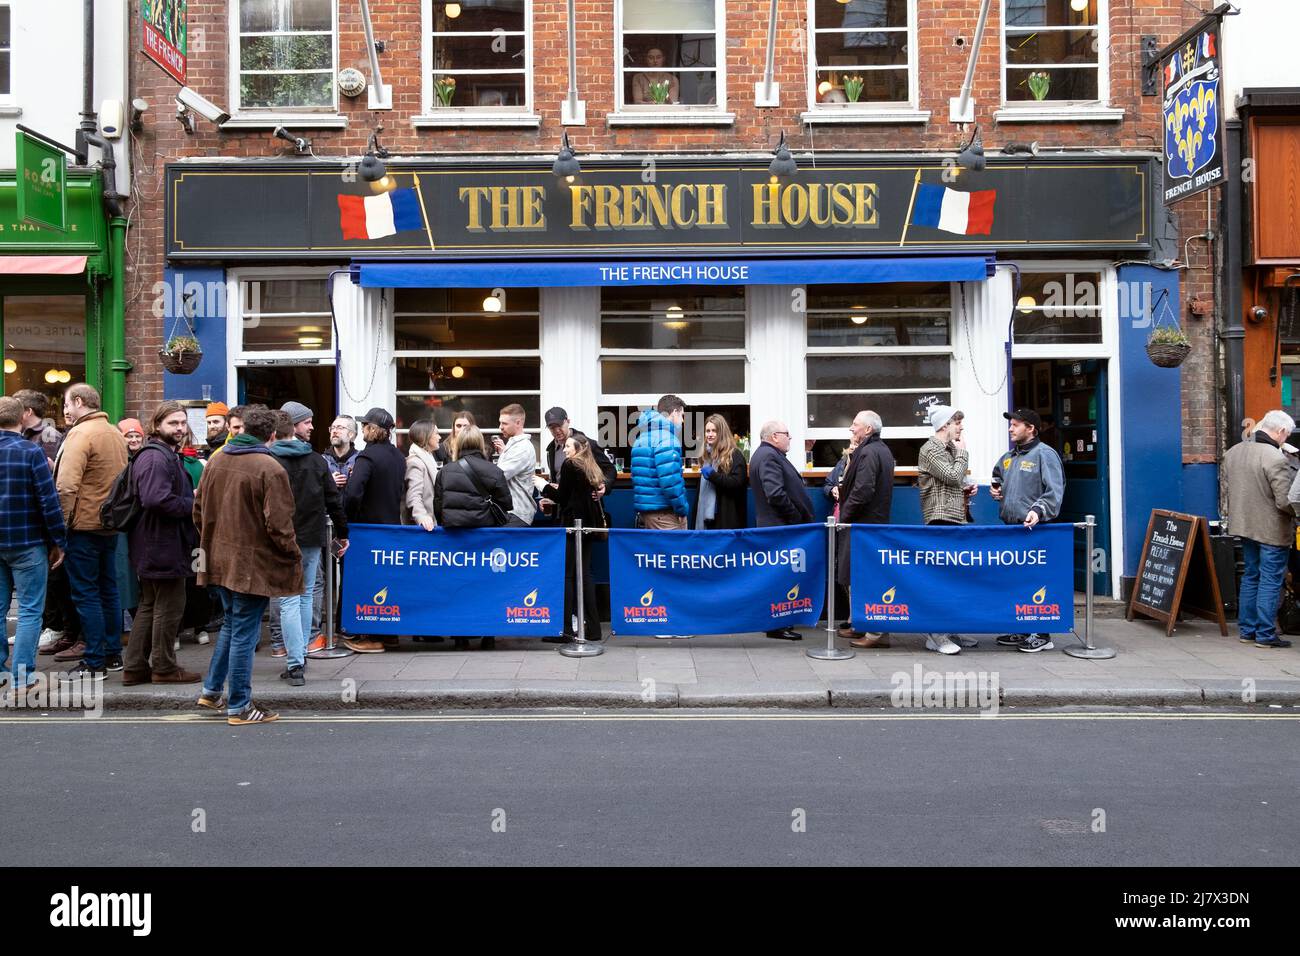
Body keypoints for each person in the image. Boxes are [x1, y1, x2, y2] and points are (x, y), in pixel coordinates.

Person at [195, 405, 302, 725]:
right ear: (271, 436)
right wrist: (291, 554)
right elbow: (280, 525)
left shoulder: (216, 460)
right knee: (244, 632)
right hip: (251, 564)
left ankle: (212, 691)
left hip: (218, 558)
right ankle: (239, 705)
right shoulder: (270, 468)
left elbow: (197, 510)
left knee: (232, 624)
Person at [121, 401, 203, 686]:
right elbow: (155, 499)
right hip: (161, 543)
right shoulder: (156, 457)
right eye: (173, 423)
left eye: (182, 423)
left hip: (154, 542)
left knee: (149, 605)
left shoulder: (160, 454)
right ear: (157, 426)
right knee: (169, 607)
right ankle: (164, 668)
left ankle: (134, 667)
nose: (180, 429)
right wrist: (190, 502)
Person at [54, 384, 129, 681]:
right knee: (109, 590)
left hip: (82, 525)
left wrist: (60, 527)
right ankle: (112, 656)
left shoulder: (80, 434)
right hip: (109, 524)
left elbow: (66, 486)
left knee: (86, 593)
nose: (65, 411)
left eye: (67, 406)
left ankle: (94, 660)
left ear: (79, 401)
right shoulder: (114, 432)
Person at [271, 402, 349, 684]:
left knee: (289, 598)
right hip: (312, 537)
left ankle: (295, 662)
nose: (313, 427)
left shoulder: (268, 459)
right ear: (292, 425)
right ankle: (299, 655)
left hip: (278, 537)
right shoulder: (316, 460)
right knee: (302, 595)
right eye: (307, 422)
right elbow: (333, 500)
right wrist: (343, 533)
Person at [0, 396, 65, 693]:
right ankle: (21, 677)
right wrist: (58, 541)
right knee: (28, 611)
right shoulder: (31, 452)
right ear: (21, 418)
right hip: (27, 543)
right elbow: (48, 502)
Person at [990, 407, 1065, 653]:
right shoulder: (1010, 456)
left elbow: (1054, 491)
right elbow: (997, 474)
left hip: (1036, 530)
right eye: (1010, 424)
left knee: (1037, 581)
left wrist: (1039, 510)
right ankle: (1023, 628)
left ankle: (1042, 634)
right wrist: (996, 489)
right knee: (1017, 581)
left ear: (1030, 428)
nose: (1010, 428)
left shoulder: (1046, 454)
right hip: (1011, 529)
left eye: (1015, 424)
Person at [434, 424, 512, 651]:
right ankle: (488, 635)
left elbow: (438, 506)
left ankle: (460, 636)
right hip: (485, 538)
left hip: (454, 538)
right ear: (480, 444)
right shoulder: (493, 470)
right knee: (487, 586)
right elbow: (506, 504)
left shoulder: (445, 471)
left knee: (459, 587)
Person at [1223, 410, 1296, 649]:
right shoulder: (1275, 458)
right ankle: (1265, 634)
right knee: (1270, 580)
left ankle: (1247, 630)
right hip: (1271, 529)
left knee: (1251, 577)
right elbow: (1284, 501)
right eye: (1286, 435)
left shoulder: (1233, 452)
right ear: (1281, 431)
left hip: (1244, 526)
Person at [916, 405, 978, 654]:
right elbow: (951, 475)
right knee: (939, 578)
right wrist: (964, 456)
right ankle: (935, 634)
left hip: (955, 518)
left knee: (953, 578)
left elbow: (954, 481)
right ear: (944, 425)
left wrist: (966, 487)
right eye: (957, 423)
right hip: (939, 518)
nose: (961, 427)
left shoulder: (950, 449)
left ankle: (950, 627)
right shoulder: (930, 449)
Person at [535, 432, 607, 643]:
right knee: (585, 575)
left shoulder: (570, 465)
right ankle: (594, 630)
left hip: (572, 526)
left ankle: (565, 629)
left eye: (568, 446)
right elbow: (577, 494)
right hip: (588, 527)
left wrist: (542, 485)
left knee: (567, 576)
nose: (564, 449)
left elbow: (562, 497)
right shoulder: (588, 466)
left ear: (578, 448)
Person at [833, 411, 895, 649]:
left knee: (863, 578)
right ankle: (862, 624)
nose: (851, 428)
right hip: (869, 524)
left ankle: (876, 633)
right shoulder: (879, 449)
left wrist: (844, 516)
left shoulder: (870, 451)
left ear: (868, 429)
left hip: (863, 525)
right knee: (856, 577)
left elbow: (863, 490)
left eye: (855, 425)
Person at [749, 420, 815, 641]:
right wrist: (796, 518)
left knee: (779, 576)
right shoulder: (768, 456)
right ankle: (778, 624)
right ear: (774, 436)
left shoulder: (767, 454)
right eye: (787, 434)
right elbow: (775, 493)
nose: (790, 438)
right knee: (781, 577)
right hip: (779, 527)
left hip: (777, 526)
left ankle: (777, 622)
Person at [631, 394, 689, 530]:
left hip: (646, 514)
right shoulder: (667, 439)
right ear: (674, 412)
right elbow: (671, 481)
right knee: (674, 551)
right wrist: (682, 509)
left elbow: (637, 476)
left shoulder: (640, 438)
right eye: (682, 415)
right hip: (665, 514)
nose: (682, 421)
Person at [344, 407, 406, 526]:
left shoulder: (367, 456)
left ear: (372, 429)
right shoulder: (399, 456)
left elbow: (352, 495)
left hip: (368, 529)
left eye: (364, 425)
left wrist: (349, 519)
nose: (362, 429)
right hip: (393, 527)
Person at [691, 413, 747, 530]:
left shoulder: (734, 454)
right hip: (706, 522)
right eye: (707, 431)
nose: (710, 435)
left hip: (726, 520)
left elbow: (737, 483)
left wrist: (712, 475)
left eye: (714, 431)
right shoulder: (706, 456)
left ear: (722, 433)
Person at [492, 403, 538, 526]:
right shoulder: (514, 445)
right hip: (511, 512)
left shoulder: (522, 448)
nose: (500, 427)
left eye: (504, 423)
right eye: (500, 422)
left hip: (517, 514)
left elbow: (499, 476)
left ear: (518, 423)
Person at [403, 419, 441, 531]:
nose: (440, 437)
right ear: (426, 436)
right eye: (437, 433)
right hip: (424, 529)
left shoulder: (428, 457)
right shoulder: (415, 462)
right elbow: (414, 495)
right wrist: (421, 516)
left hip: (433, 525)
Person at [325, 414, 359, 489]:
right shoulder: (321, 461)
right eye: (332, 428)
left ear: (351, 434)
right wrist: (328, 482)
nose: (334, 431)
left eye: (340, 428)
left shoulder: (360, 460)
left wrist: (358, 478)